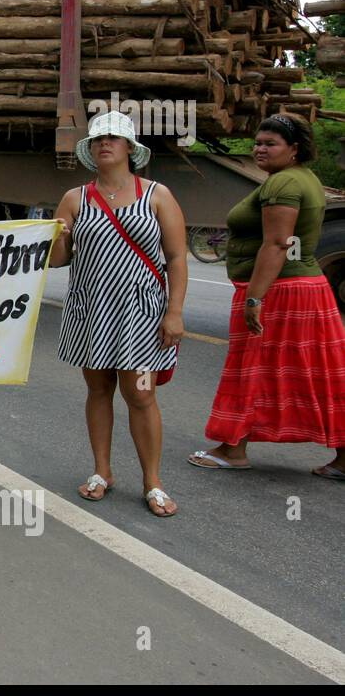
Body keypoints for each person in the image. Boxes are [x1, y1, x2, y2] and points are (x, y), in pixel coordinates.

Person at [187, 113, 345, 480]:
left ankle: (232, 448)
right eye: (257, 142)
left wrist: (255, 298)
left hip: (281, 293)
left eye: (270, 143)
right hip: (304, 290)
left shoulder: (284, 184)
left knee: (250, 369)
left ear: (293, 150)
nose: (260, 148)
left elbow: (277, 243)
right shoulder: (301, 178)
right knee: (318, 372)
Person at [49, 110, 188, 517]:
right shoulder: (76, 198)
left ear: (130, 147)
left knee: (141, 394)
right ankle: (101, 471)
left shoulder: (157, 194)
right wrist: (59, 235)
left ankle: (153, 481)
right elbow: (58, 260)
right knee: (98, 389)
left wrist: (175, 312)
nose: (104, 143)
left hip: (142, 314)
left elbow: (178, 258)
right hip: (91, 311)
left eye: (112, 137)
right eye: (97, 139)